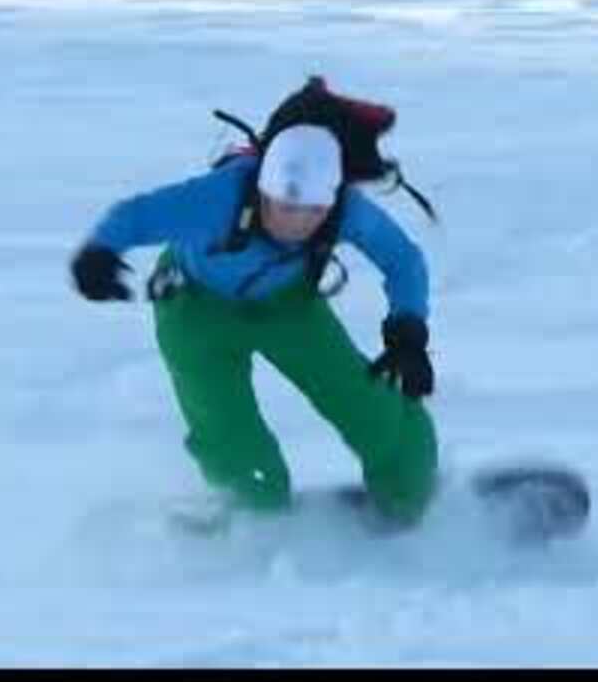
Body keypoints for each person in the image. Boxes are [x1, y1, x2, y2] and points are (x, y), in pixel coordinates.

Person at [69, 77, 439, 526]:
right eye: (283, 206)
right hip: (195, 311)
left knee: (375, 415)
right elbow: (135, 216)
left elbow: (403, 261)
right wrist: (99, 254)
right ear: (262, 187)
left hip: (288, 305)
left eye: (313, 212)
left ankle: (412, 500)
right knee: (236, 448)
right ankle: (254, 517)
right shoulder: (218, 197)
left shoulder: (346, 209)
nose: (297, 223)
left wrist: (408, 331)